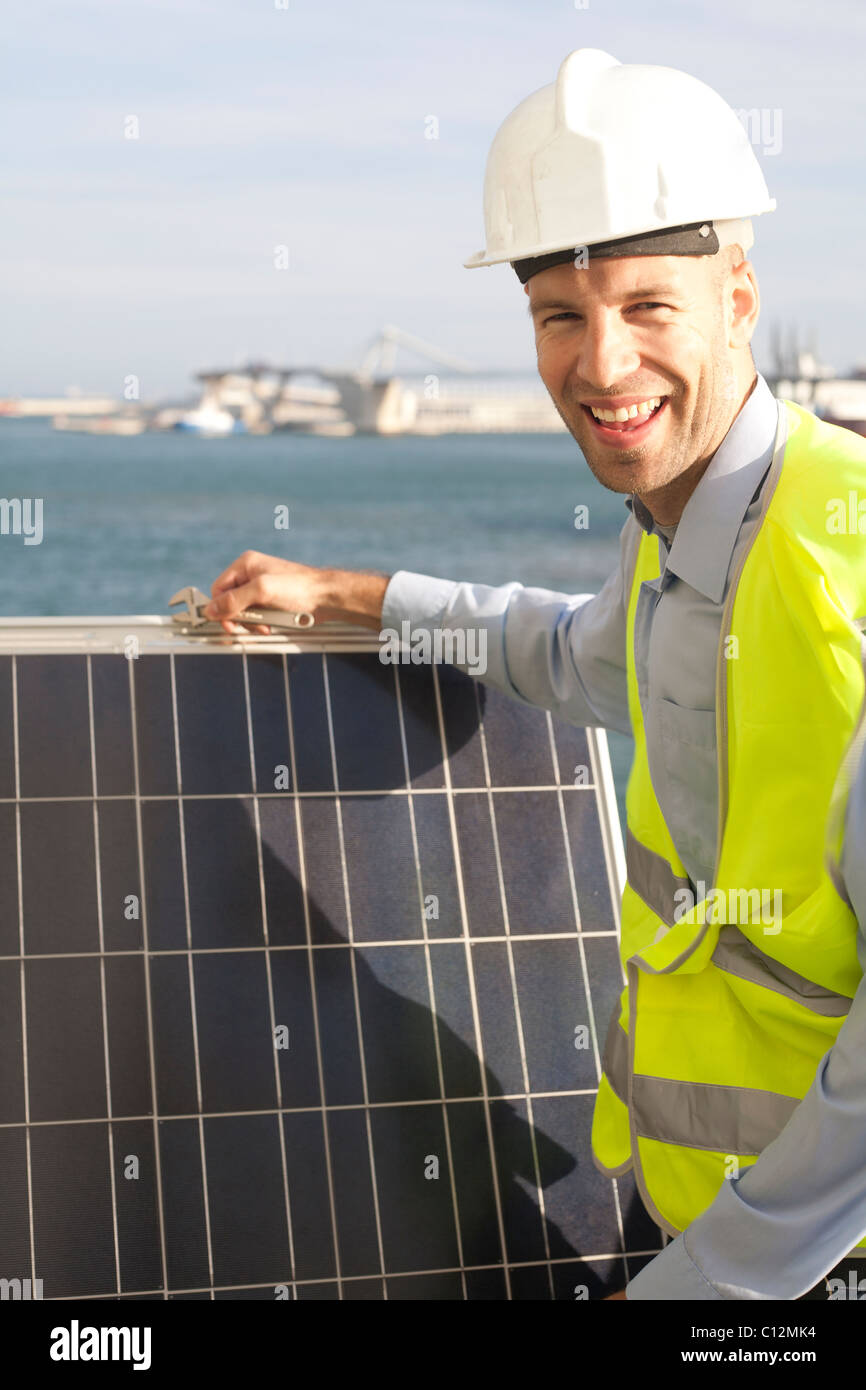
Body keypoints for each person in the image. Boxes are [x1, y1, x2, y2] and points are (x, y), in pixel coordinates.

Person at [202, 51, 866, 1300]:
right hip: (695, 1215)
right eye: (560, 315)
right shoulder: (688, 529)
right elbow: (581, 654)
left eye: (647, 306)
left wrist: (706, 1285)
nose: (601, 365)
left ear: (736, 297)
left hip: (794, 1268)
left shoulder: (839, 553)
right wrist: (355, 597)